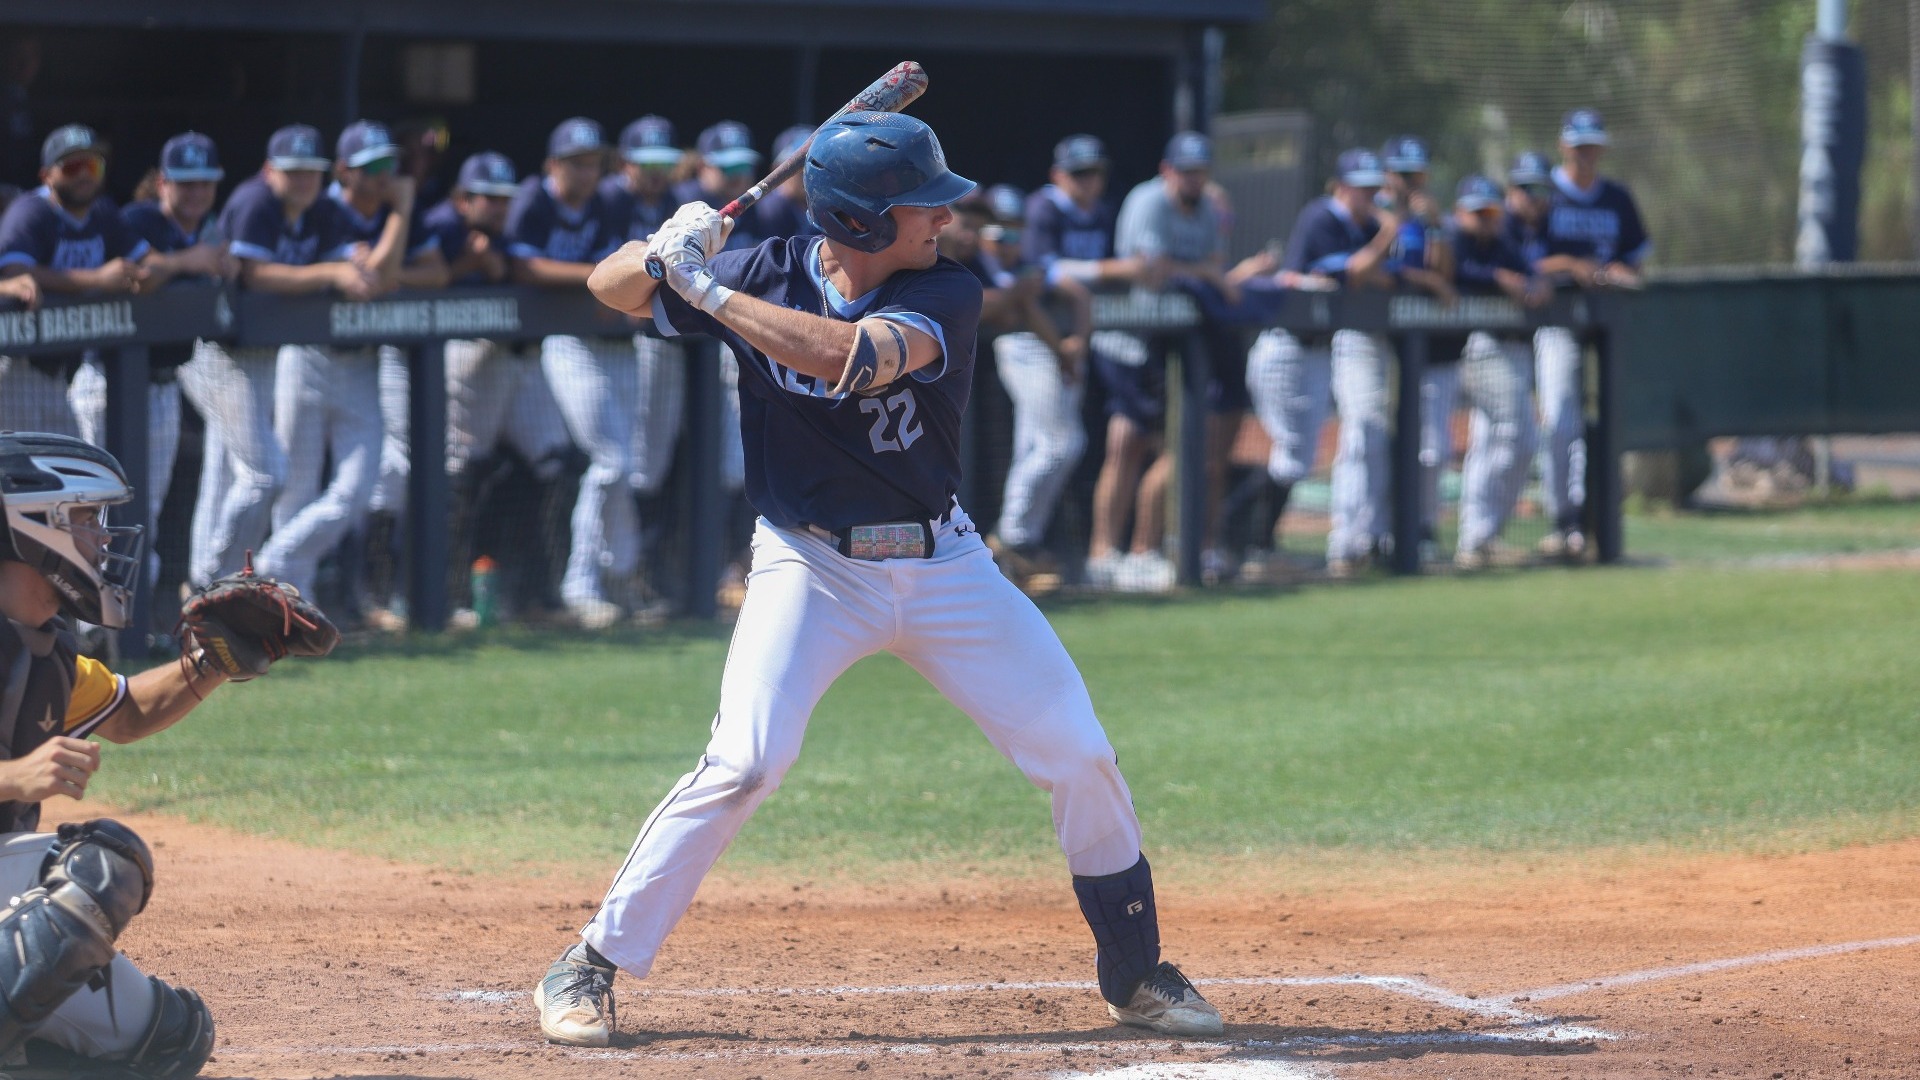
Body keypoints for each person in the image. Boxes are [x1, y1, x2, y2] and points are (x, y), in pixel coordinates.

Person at [536, 111, 1223, 1048]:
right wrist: (663, 250)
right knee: (746, 759)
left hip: (945, 564)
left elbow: (849, 360)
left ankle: (1135, 972)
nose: (943, 219)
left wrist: (707, 293)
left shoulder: (946, 290)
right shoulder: (763, 267)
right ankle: (591, 962)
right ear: (859, 222)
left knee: (1078, 750)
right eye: (920, 207)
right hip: (809, 563)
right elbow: (603, 288)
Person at [0, 432, 227, 1078]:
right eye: (84, 519)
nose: (102, 541)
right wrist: (14, 777)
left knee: (169, 1035)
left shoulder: (45, 650)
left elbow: (128, 712)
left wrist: (217, 660)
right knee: (99, 867)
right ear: (31, 525)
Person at [181, 124, 375, 592]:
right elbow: (255, 273)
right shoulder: (254, 201)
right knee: (268, 472)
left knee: (227, 473)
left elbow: (355, 269)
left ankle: (207, 585)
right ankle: (212, 580)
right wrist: (332, 270)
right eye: (294, 171)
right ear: (270, 171)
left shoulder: (322, 211)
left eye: (312, 171)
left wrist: (359, 260)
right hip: (216, 354)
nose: (305, 180)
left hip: (264, 357)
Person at [253, 120, 429, 603]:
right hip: (307, 357)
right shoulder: (327, 208)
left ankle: (270, 565)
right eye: (372, 167)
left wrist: (400, 217)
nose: (383, 175)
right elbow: (375, 280)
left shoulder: (394, 210)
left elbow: (414, 274)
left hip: (360, 365)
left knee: (356, 490)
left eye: (389, 165)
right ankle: (289, 602)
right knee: (296, 487)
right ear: (345, 171)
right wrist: (400, 216)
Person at [72, 133, 238, 613]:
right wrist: (192, 261)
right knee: (97, 512)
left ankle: (127, 624)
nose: (195, 194)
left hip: (164, 387)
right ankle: (88, 627)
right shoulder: (137, 218)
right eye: (185, 184)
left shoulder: (207, 229)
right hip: (109, 383)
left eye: (204, 184)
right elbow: (139, 277)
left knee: (143, 512)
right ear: (162, 183)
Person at [1238, 149, 1401, 578]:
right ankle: (1246, 543)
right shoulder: (1322, 217)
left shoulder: (1362, 226)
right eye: (1362, 187)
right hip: (1285, 348)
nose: (1369, 196)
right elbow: (1356, 272)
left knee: (1300, 456)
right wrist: (1386, 236)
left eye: (1373, 188)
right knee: (1290, 455)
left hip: (1317, 352)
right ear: (1341, 187)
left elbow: (1381, 276)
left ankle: (1254, 545)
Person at [432, 152, 575, 625]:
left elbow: (520, 267)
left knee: (557, 463)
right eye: (486, 199)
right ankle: (445, 596)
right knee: (460, 475)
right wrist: (464, 266)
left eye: (502, 199)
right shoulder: (441, 227)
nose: (496, 207)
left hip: (514, 360)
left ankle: (537, 592)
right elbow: (420, 278)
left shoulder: (509, 232)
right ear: (461, 199)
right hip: (452, 355)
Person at [1094, 132, 1240, 590]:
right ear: (1167, 169)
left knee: (1168, 450)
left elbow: (1215, 258)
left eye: (1200, 171)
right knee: (1126, 445)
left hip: (1167, 346)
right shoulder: (1149, 200)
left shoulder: (1208, 206)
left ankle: (1145, 550)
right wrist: (1204, 273)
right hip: (1127, 340)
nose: (1194, 179)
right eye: (1186, 170)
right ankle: (1106, 555)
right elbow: (1152, 271)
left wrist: (1201, 270)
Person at [505, 117, 632, 628]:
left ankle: (613, 575)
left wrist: (608, 285)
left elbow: (622, 262)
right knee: (607, 461)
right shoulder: (534, 197)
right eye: (576, 163)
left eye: (593, 162)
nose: (587, 172)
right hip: (546, 346)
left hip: (601, 344)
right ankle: (581, 582)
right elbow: (524, 266)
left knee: (619, 463)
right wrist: (596, 280)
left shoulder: (605, 201)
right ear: (552, 164)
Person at [1532, 109, 1648, 559]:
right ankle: (1565, 520)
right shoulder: (1545, 194)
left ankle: (1593, 521)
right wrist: (1571, 266)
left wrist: (1619, 272)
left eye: (1592, 145)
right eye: (1578, 146)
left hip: (1608, 325)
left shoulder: (1616, 198)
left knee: (1609, 422)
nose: (1585, 154)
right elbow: (1523, 260)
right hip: (1555, 321)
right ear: (1564, 146)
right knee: (1560, 418)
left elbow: (1635, 262)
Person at [971, 183, 1091, 593]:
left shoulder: (1024, 261)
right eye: (999, 233)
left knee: (1042, 445)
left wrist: (1075, 344)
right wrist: (1062, 350)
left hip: (1044, 353)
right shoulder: (980, 263)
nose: (1007, 242)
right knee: (1060, 444)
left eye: (1014, 232)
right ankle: (1013, 534)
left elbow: (1077, 293)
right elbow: (1017, 306)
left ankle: (1017, 542)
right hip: (1018, 351)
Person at [0, 124, 149, 436]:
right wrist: (97, 278)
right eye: (72, 166)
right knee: (26, 475)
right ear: (47, 176)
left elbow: (146, 261)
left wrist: (181, 262)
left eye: (93, 165)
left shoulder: (103, 211)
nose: (85, 175)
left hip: (60, 373)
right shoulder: (31, 212)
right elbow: (14, 271)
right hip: (19, 367)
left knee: (66, 469)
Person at [1434, 175, 1546, 569]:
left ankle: (1483, 536)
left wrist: (1535, 283)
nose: (1485, 220)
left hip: (1508, 347)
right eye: (1477, 213)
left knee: (1514, 440)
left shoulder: (1501, 242)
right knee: (1511, 435)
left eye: (1491, 212)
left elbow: (1528, 273)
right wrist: (1499, 279)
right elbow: (1458, 272)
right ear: (1459, 212)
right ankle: (1478, 535)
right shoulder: (1454, 239)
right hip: (1477, 346)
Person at [601, 116, 689, 609]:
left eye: (663, 165)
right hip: (603, 344)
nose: (656, 175)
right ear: (625, 163)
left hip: (659, 342)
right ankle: (611, 575)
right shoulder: (611, 198)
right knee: (618, 465)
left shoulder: (678, 203)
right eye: (646, 165)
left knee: (648, 468)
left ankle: (638, 575)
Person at [754, 123, 820, 240]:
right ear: (777, 170)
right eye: (800, 166)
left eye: (816, 164)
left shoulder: (821, 208)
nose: (808, 173)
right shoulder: (771, 210)